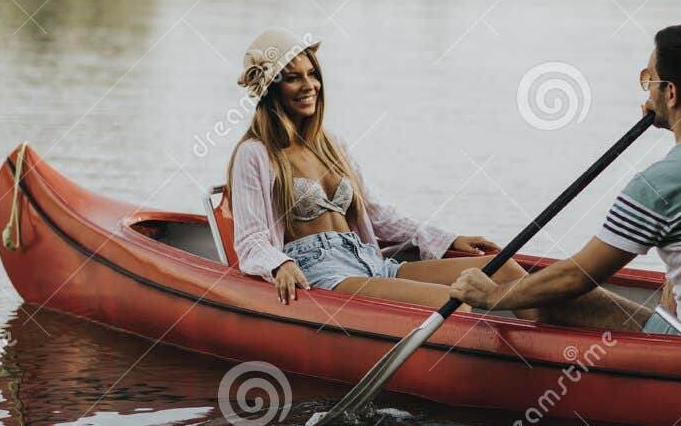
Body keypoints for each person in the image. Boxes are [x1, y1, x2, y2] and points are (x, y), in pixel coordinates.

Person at [450, 23, 681, 337]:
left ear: (672, 93)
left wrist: (493, 295)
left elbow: (577, 277)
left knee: (543, 297)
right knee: (673, 280)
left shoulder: (657, 184)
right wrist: (671, 119)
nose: (646, 91)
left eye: (650, 81)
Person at [225, 26, 537, 312]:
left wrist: (447, 238)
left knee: (504, 269)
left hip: (368, 260)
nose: (310, 86)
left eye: (312, 74)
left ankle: (551, 343)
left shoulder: (332, 144)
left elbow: (375, 214)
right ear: (271, 90)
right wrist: (279, 264)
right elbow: (251, 238)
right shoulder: (255, 154)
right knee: (453, 303)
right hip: (319, 272)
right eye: (293, 78)